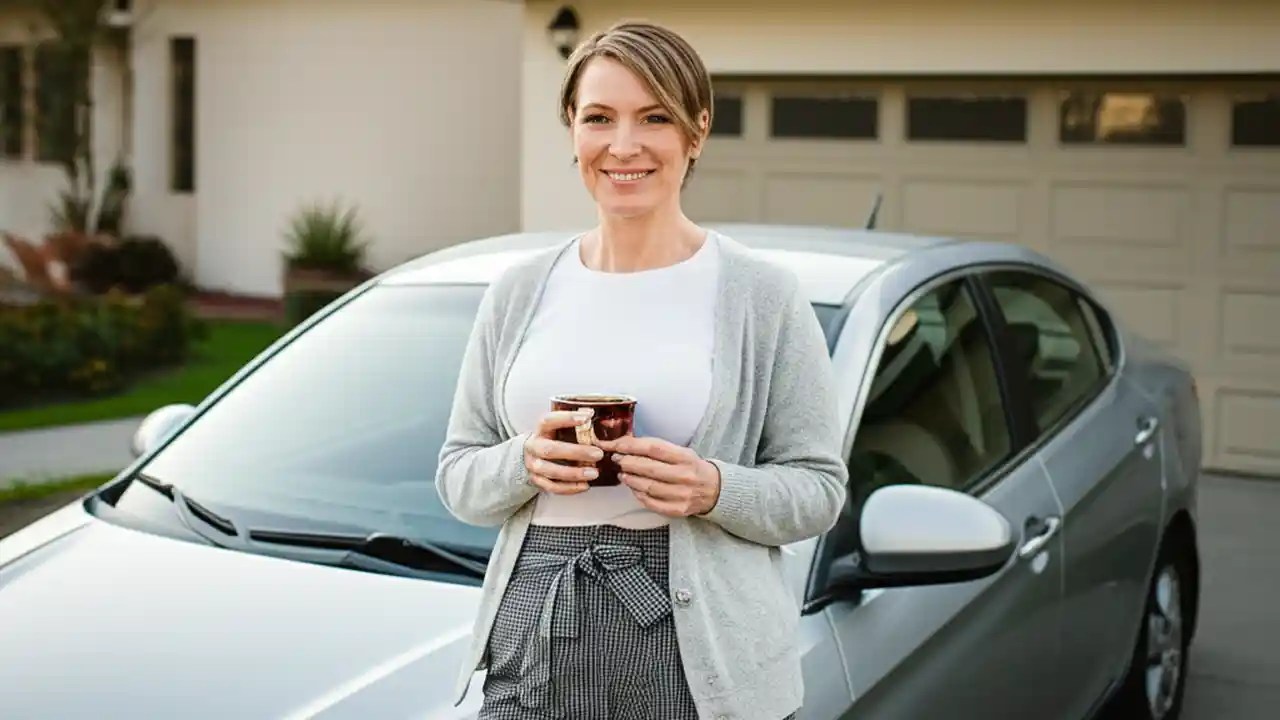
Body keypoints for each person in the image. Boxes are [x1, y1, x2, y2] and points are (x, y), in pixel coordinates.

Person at [436, 19, 848, 720]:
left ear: (697, 131)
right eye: (599, 117)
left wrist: (714, 488)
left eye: (654, 117)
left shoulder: (761, 295)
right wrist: (523, 464)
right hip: (539, 620)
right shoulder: (518, 291)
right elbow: (458, 478)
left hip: (700, 645)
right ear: (572, 128)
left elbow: (819, 491)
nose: (623, 145)